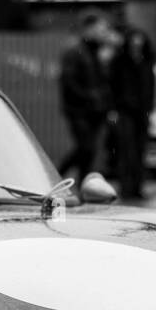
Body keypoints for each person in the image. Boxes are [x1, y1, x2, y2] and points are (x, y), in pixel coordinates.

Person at [104, 4, 156, 201]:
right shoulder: (120, 62)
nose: (136, 43)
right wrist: (114, 108)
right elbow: (112, 86)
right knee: (127, 150)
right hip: (125, 110)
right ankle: (127, 187)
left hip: (142, 111)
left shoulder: (146, 61)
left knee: (140, 150)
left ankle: (137, 186)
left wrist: (150, 107)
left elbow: (151, 87)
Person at [57, 10, 113, 188]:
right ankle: (55, 176)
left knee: (88, 152)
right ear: (88, 29)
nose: (103, 33)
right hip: (79, 110)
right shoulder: (75, 52)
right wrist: (90, 97)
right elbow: (69, 81)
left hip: (94, 110)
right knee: (85, 148)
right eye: (100, 29)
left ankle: (80, 186)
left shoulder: (96, 53)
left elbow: (103, 81)